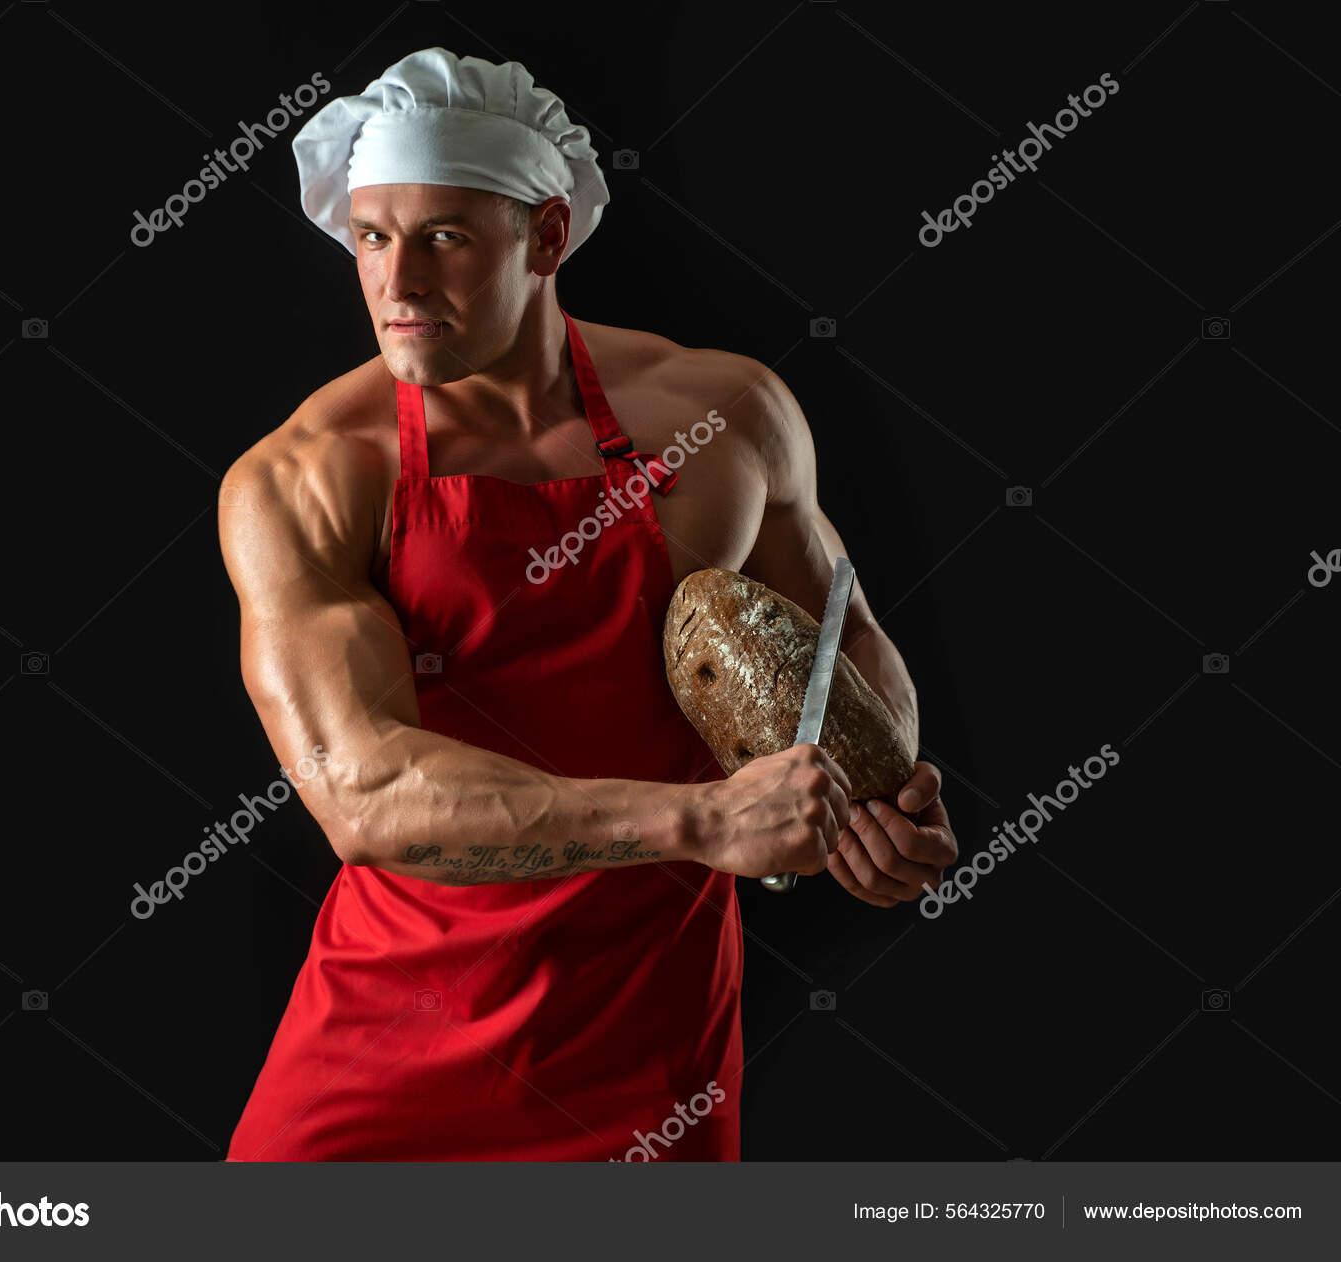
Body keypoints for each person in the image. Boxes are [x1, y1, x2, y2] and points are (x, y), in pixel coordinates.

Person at [220, 46, 957, 1161]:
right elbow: (364, 795)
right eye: (371, 236)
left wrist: (880, 802)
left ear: (549, 235)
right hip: (388, 1040)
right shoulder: (309, 473)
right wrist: (698, 821)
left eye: (445, 237)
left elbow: (842, 651)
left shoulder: (728, 416)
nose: (398, 284)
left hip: (645, 1048)